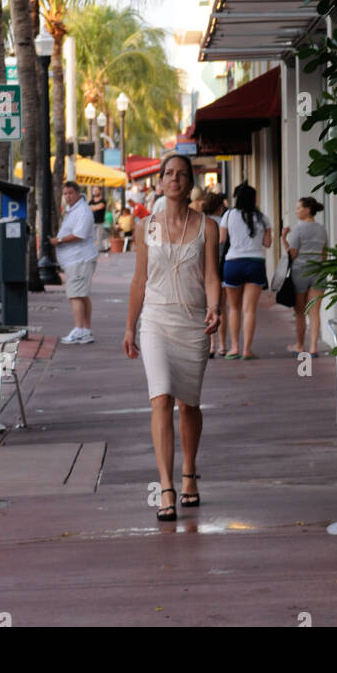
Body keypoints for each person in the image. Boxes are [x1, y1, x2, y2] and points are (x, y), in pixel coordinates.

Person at [123, 154, 221, 522]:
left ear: (190, 181)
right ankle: (166, 485)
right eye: (168, 174)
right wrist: (130, 326)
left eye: (181, 174)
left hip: (194, 322)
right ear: (160, 182)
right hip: (156, 321)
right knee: (160, 396)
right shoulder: (145, 227)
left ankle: (189, 472)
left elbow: (212, 275)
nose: (174, 179)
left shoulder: (207, 227)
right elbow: (138, 282)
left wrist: (215, 306)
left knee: (188, 405)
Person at [220, 182, 272, 360]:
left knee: (233, 308)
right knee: (249, 310)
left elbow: (221, 239)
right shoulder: (263, 218)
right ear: (254, 199)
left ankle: (234, 347)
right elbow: (267, 243)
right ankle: (247, 350)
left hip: (233, 263)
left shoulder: (228, 215)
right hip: (256, 263)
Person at [50, 181, 99, 344]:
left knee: (76, 295)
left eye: (70, 193)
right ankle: (85, 330)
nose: (68, 196)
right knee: (82, 295)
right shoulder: (74, 210)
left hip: (79, 259)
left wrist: (59, 240)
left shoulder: (83, 211)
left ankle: (79, 329)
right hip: (76, 259)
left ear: (78, 193)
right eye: (65, 194)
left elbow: (80, 234)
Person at [281, 196, 328, 356]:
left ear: (307, 210)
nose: (296, 212)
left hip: (300, 272)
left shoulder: (298, 229)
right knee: (315, 313)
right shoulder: (322, 229)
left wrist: (283, 239)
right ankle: (314, 347)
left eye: (298, 208)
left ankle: (300, 346)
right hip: (318, 272)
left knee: (300, 312)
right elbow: (324, 254)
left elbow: (293, 254)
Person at [202, 189, 228, 356]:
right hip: (223, 267)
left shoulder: (203, 223)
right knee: (222, 308)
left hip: (206, 269)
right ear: (219, 207)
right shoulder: (225, 221)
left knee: (209, 307)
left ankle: (211, 345)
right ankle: (223, 345)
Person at [89, 184, 108, 251]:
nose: (95, 192)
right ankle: (93, 250)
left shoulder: (103, 200)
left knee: (100, 238)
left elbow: (100, 207)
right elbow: (89, 208)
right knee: (92, 238)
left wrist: (93, 207)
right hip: (92, 222)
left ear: (100, 191)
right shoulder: (91, 201)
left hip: (100, 222)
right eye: (94, 190)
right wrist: (95, 207)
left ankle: (100, 250)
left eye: (96, 190)